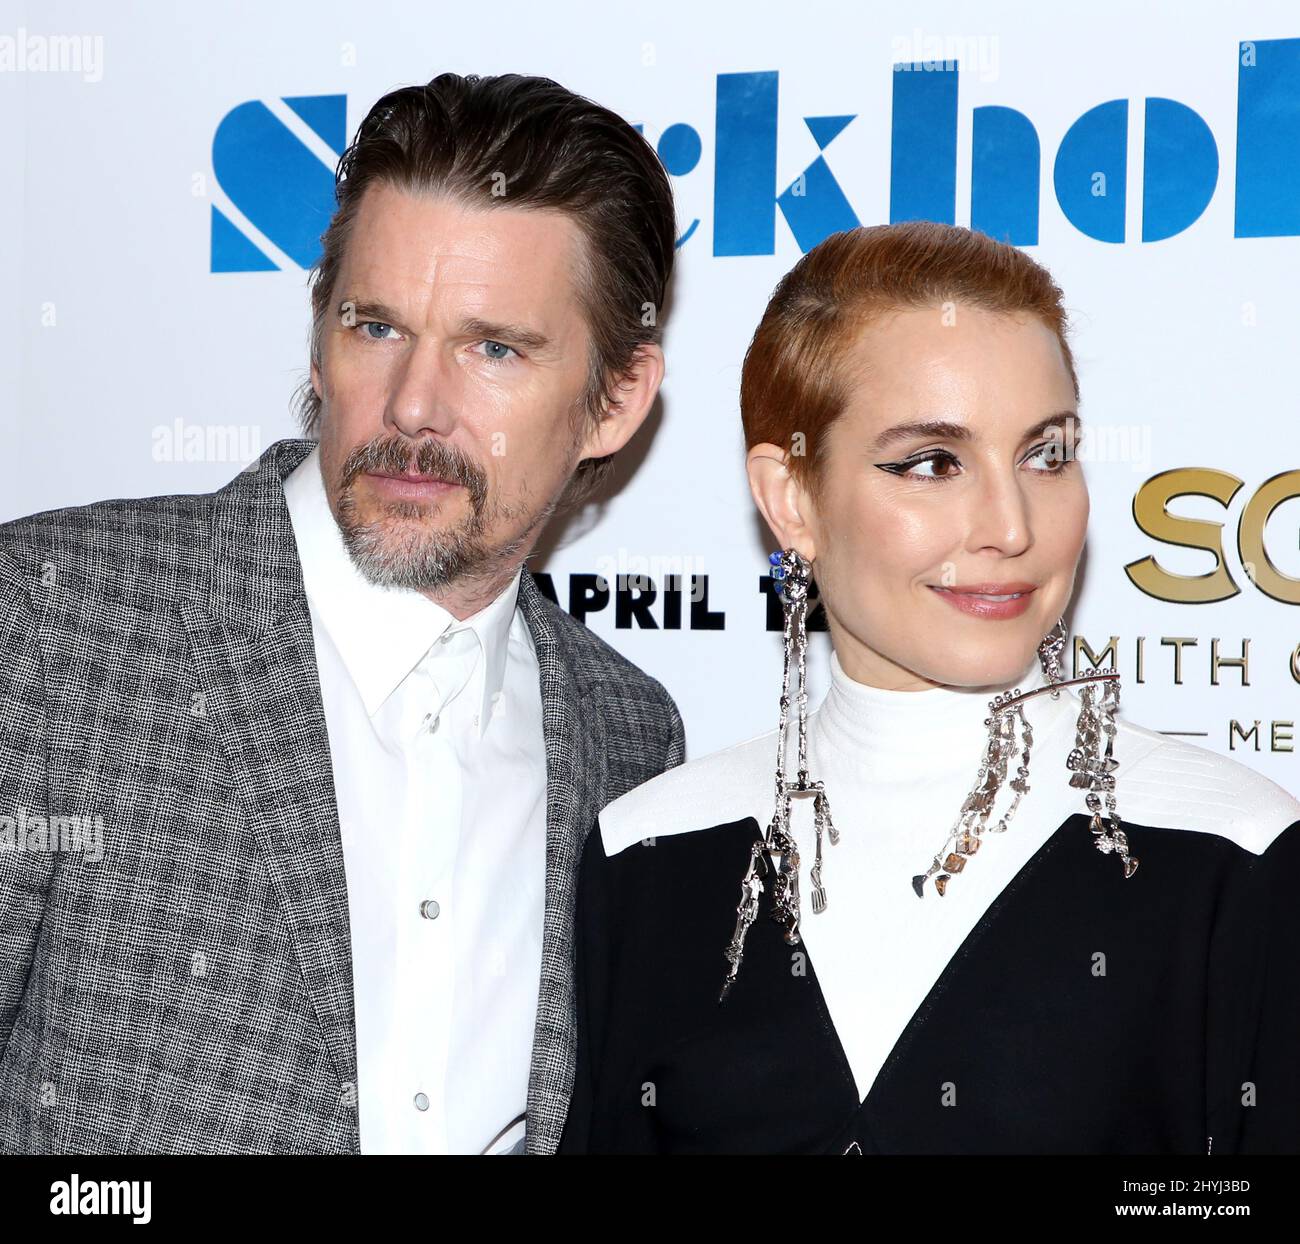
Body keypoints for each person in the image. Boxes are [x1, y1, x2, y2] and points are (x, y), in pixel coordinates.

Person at [0, 72, 684, 1156]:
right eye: (375, 326)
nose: (413, 404)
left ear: (615, 399)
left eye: (493, 347)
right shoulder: (52, 622)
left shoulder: (630, 737)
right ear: (320, 339)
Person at [559, 221, 1300, 1155]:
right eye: (930, 463)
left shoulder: (1235, 855)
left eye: (1045, 455)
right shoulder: (649, 853)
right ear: (792, 499)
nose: (1011, 524)